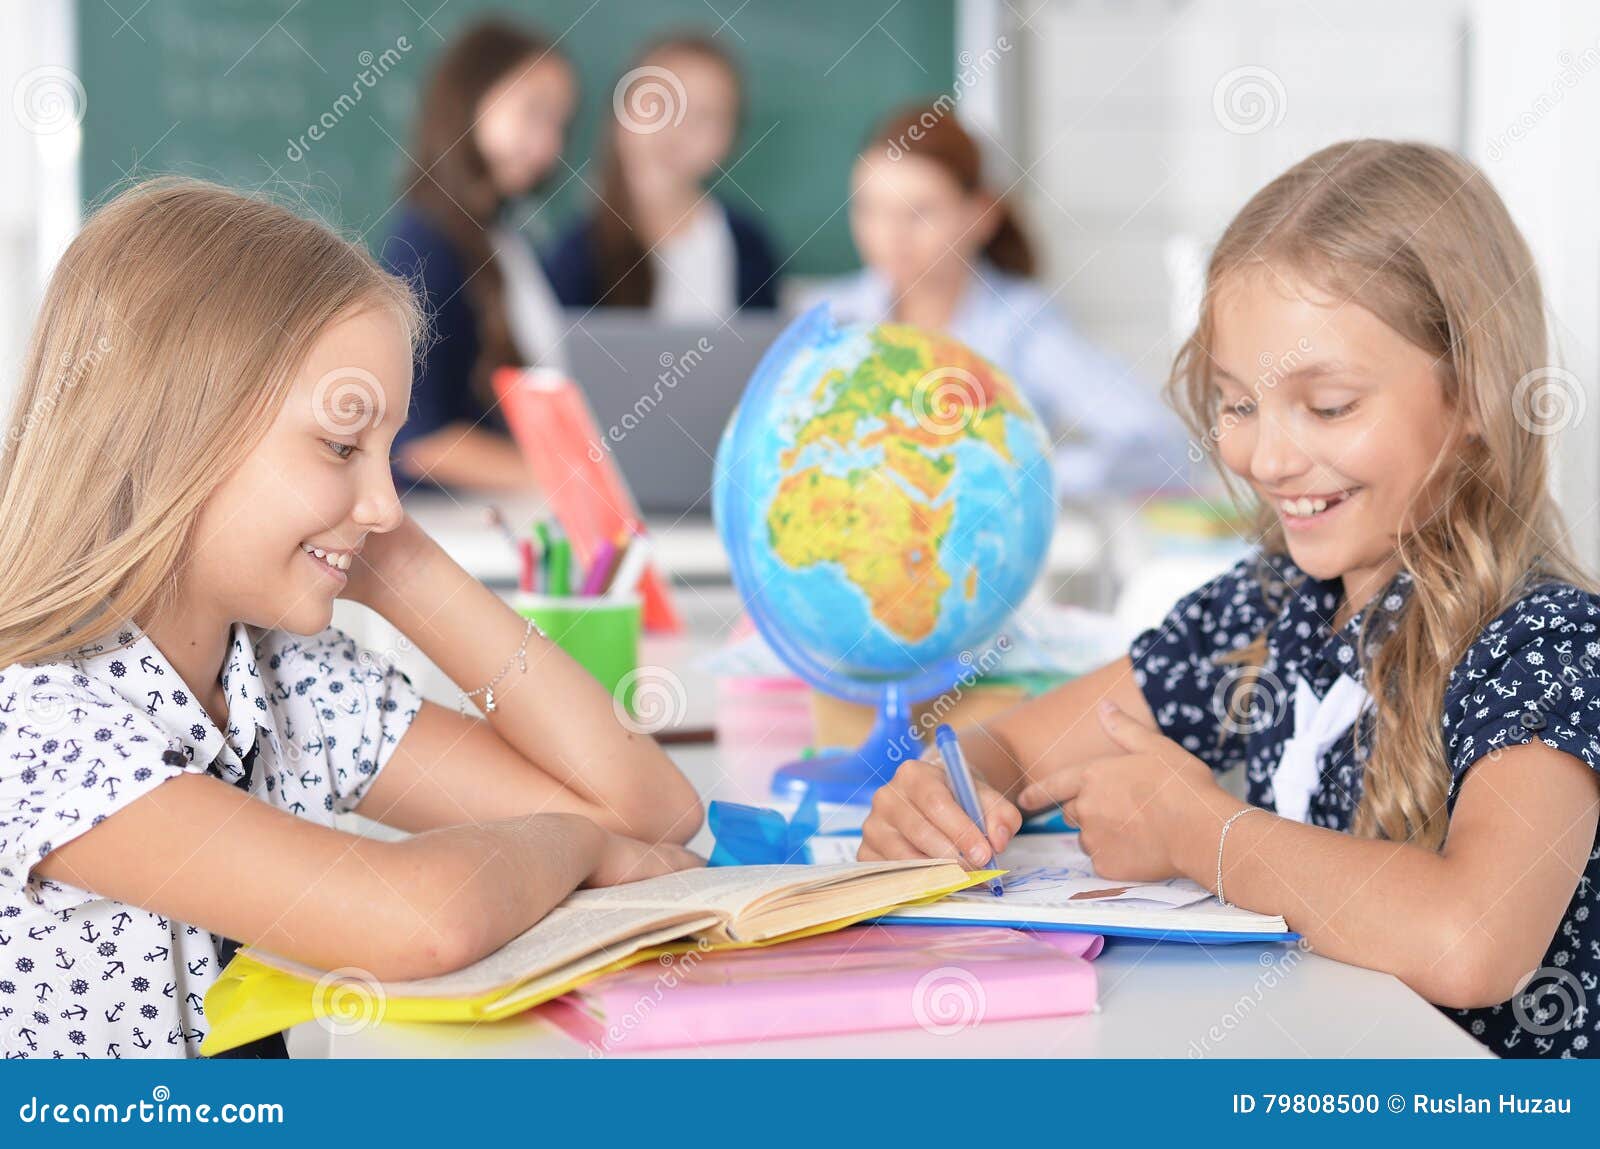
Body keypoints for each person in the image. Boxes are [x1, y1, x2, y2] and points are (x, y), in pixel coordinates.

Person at [858, 140, 1600, 1059]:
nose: (1269, 459)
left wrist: (1204, 834)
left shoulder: (1547, 644)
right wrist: (947, 789)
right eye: (1238, 403)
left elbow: (1472, 938)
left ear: (1477, 393)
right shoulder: (1269, 604)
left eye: (1327, 406)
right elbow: (1014, 743)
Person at [0, 179, 703, 1059]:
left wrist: (402, 567)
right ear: (176, 431)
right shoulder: (36, 720)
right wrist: (578, 845)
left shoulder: (290, 674)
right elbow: (412, 920)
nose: (384, 501)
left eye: (387, 451)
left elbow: (647, 812)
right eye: (341, 444)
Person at [812, 105, 1188, 498]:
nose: (890, 236)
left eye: (919, 213)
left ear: (980, 216)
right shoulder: (830, 319)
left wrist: (1024, 473)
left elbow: (1161, 444)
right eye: (870, 210)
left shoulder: (1022, 325)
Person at [382, 18, 577, 493]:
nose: (549, 144)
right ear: (469, 102)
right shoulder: (424, 245)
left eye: (559, 124)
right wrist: (571, 483)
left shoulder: (504, 241)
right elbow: (419, 439)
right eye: (534, 112)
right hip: (454, 532)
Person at [544, 33, 780, 320]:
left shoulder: (749, 248)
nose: (676, 129)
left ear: (731, 139)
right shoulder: (575, 255)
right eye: (658, 103)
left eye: (704, 116)